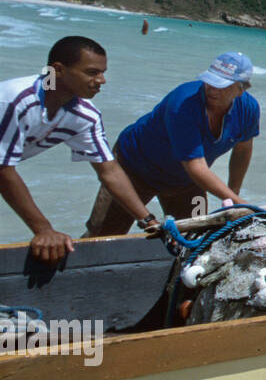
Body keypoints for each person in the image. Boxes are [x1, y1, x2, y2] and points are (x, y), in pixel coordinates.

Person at [0, 37, 159, 264]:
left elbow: (109, 171)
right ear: (58, 71)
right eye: (92, 72)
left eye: (103, 72)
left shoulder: (85, 115)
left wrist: (148, 221)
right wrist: (43, 229)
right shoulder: (16, 101)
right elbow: (3, 170)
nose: (101, 80)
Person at [84, 52, 260, 236]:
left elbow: (243, 150)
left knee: (197, 234)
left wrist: (233, 196)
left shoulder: (249, 109)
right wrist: (240, 203)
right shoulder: (183, 104)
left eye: (221, 85)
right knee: (103, 234)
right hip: (134, 169)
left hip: (186, 182)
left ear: (242, 89)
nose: (212, 89)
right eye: (210, 81)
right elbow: (196, 167)